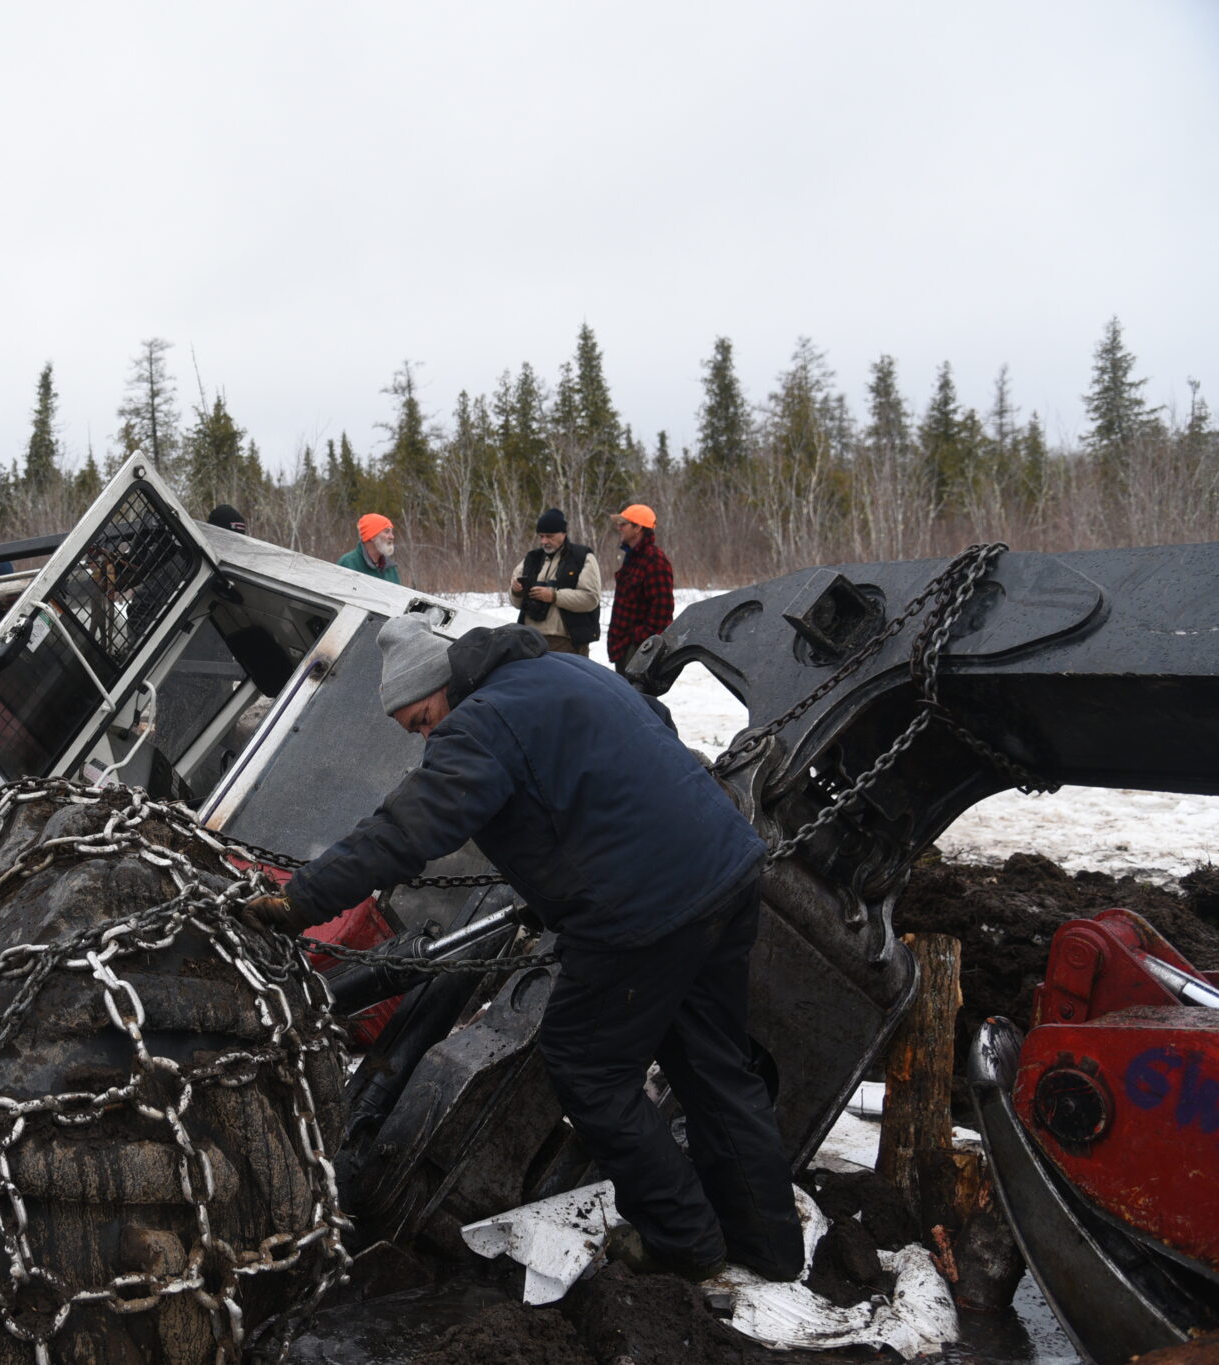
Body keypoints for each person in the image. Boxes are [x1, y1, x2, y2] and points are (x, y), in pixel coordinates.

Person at [241, 613, 803, 1285]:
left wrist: (300, 899)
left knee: (587, 1065)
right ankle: (769, 1248)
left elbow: (406, 829)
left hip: (644, 911)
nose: (428, 737)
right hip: (724, 871)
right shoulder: (564, 670)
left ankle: (683, 1238)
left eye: (422, 720)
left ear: (444, 687)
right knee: (713, 1065)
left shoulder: (482, 723)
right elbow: (643, 734)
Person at [507, 508, 601, 657]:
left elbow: (591, 599)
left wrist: (554, 596)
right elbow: (516, 602)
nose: (544, 541)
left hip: (568, 643)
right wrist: (516, 591)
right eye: (541, 536)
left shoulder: (582, 557)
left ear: (563, 534)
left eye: (549, 536)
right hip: (531, 643)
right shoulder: (531, 559)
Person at [606, 503, 675, 675]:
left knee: (637, 700)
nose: (619, 528)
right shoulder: (633, 558)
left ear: (637, 528)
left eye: (623, 524)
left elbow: (663, 609)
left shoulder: (655, 560)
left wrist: (638, 640)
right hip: (623, 648)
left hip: (637, 650)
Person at [337, 513, 401, 583]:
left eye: (391, 532)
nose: (392, 537)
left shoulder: (390, 569)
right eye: (387, 532)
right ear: (372, 536)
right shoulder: (348, 563)